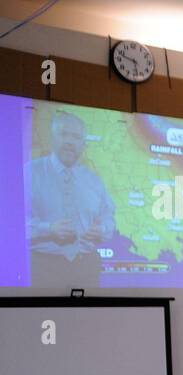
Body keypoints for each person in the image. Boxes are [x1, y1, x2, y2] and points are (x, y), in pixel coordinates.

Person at [24, 110, 115, 287]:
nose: (69, 142)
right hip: (43, 267)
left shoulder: (94, 180)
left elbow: (109, 217)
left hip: (87, 268)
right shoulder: (29, 173)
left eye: (76, 137)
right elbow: (10, 224)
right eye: (63, 134)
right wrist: (48, 229)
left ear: (83, 144)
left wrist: (102, 228)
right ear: (52, 138)